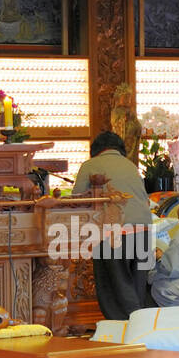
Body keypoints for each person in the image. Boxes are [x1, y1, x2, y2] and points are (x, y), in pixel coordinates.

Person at [72, 132, 153, 320]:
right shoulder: (131, 166)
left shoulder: (90, 165)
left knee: (115, 283)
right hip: (144, 231)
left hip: (113, 230)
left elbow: (77, 199)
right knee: (137, 284)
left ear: (95, 150)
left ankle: (131, 324)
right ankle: (141, 322)